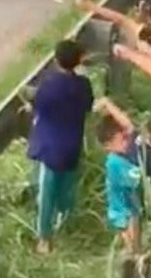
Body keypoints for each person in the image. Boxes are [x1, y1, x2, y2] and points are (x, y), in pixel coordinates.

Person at [26, 38, 94, 254]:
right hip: (72, 146)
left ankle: (44, 238)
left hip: (49, 148)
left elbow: (38, 106)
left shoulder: (48, 85)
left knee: (46, 195)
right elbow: (88, 106)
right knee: (67, 190)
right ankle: (65, 227)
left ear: (56, 60)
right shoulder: (83, 85)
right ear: (79, 60)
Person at [96, 98, 142, 249]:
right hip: (122, 210)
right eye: (121, 139)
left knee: (135, 238)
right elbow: (132, 180)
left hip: (130, 206)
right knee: (132, 242)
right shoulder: (115, 162)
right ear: (108, 145)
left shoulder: (124, 153)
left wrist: (109, 105)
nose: (127, 142)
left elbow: (128, 126)